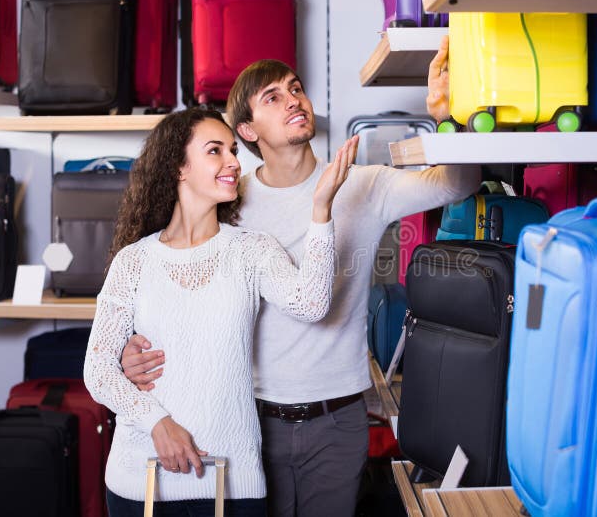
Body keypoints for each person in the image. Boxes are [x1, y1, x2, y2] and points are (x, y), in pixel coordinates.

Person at [121, 36, 480, 517]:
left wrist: (445, 114)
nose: (293, 99)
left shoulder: (361, 183)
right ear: (247, 131)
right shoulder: (229, 204)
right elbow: (176, 283)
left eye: (296, 88)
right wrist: (131, 347)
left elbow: (459, 182)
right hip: (247, 418)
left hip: (338, 420)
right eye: (273, 96)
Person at [83, 107, 357, 517]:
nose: (234, 161)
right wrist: (158, 422)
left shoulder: (251, 250)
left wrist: (321, 210)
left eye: (233, 150)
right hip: (139, 481)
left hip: (233, 483)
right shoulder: (134, 261)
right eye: (216, 151)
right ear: (179, 167)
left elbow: (312, 304)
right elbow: (98, 369)